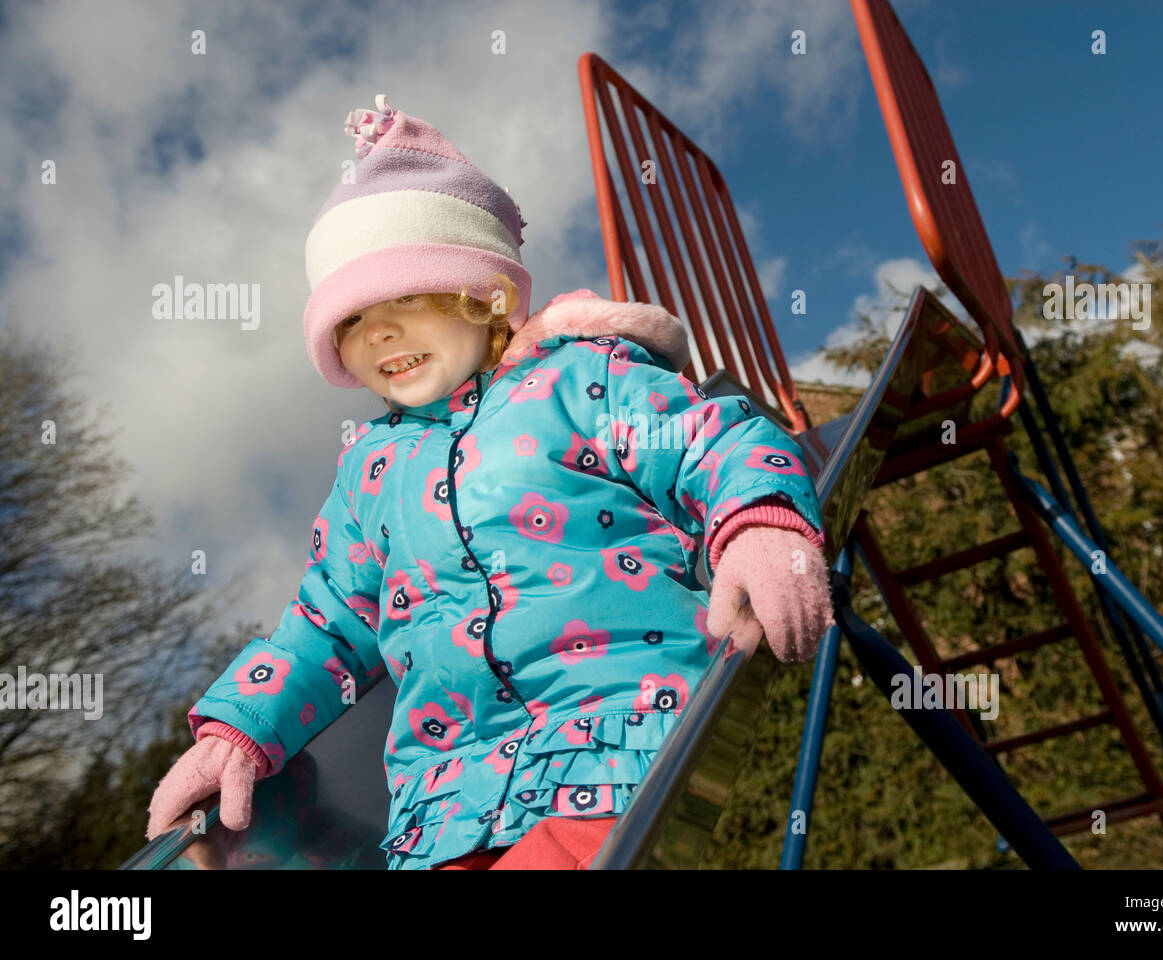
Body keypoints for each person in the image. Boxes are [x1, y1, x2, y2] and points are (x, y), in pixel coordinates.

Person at [146, 95, 833, 870]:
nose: (380, 333)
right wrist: (240, 728)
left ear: (489, 295)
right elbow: (329, 621)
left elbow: (713, 440)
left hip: (613, 733)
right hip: (445, 800)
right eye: (351, 320)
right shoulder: (370, 471)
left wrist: (762, 522)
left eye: (406, 298)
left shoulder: (583, 379)